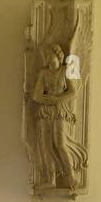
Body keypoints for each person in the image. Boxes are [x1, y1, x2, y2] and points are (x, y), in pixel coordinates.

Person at [31, 41, 87, 190]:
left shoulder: (65, 70)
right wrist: (47, 100)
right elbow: (36, 95)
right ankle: (51, 180)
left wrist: (56, 99)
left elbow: (73, 92)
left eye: (50, 55)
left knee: (60, 144)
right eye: (46, 56)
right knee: (46, 146)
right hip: (45, 112)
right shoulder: (44, 73)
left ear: (58, 55)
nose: (47, 59)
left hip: (60, 111)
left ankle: (71, 178)